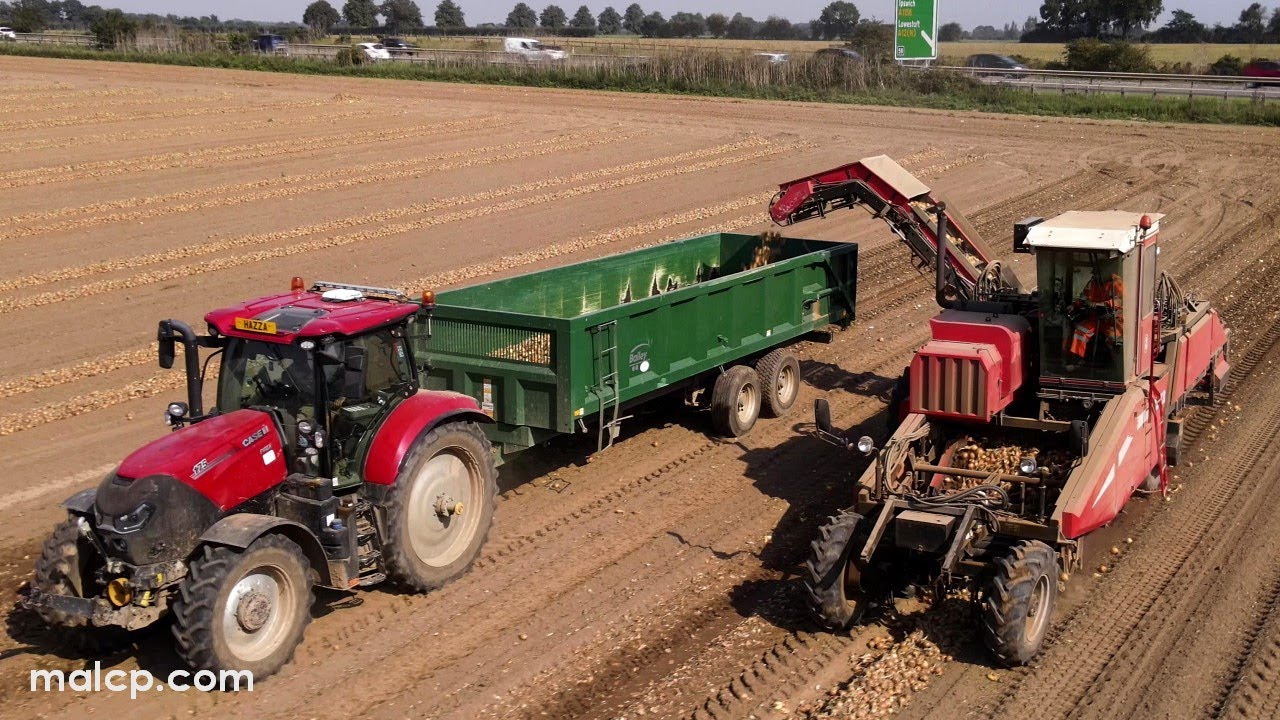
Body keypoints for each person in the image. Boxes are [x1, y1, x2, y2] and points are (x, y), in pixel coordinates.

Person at [1067, 267, 1124, 368]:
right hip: (1095, 318)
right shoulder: (1092, 282)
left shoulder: (1116, 283)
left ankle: (1117, 366)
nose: (1093, 274)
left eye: (1097, 272)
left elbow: (1120, 301)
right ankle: (1079, 361)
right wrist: (1074, 305)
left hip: (1113, 320)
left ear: (1105, 272)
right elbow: (1083, 297)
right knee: (1080, 330)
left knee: (1113, 339)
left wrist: (1100, 304)